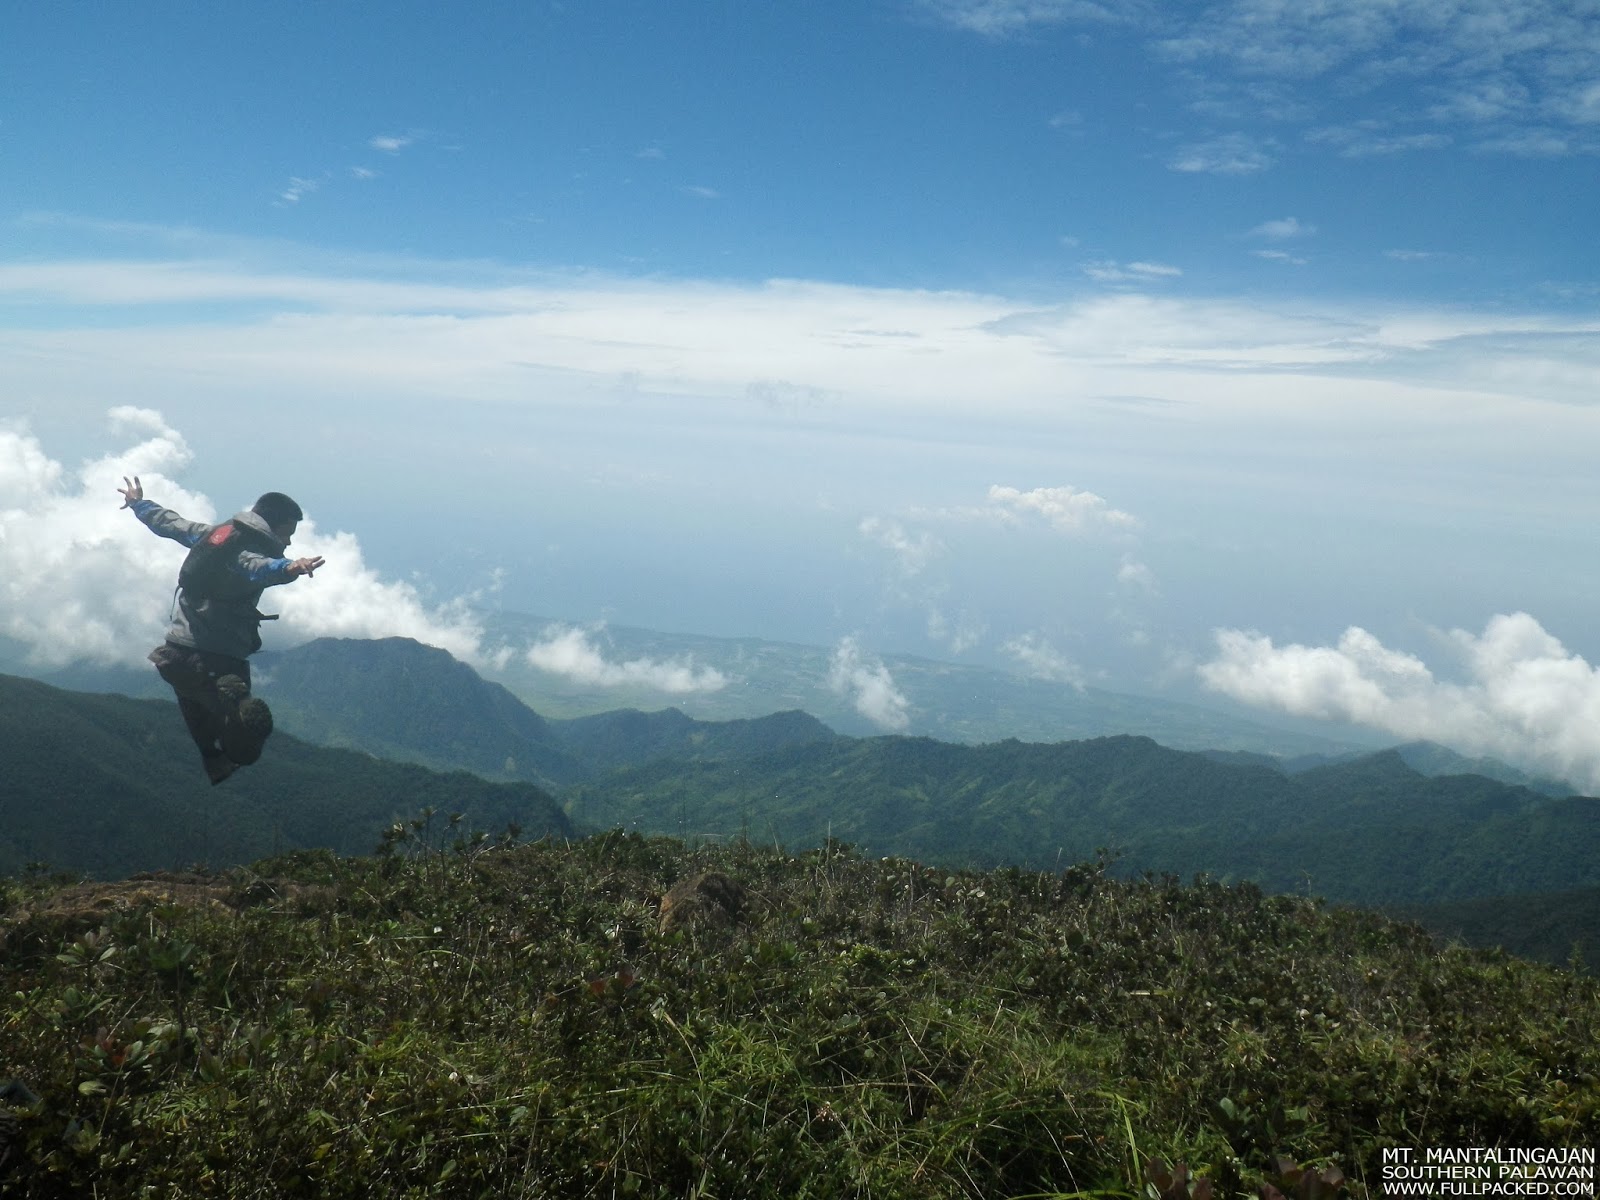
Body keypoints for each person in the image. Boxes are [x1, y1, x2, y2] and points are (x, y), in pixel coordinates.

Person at [119, 476, 325, 784]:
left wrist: (138, 503)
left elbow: (171, 524)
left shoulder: (213, 536)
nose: (289, 542)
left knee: (192, 702)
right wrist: (289, 568)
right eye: (288, 533)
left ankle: (213, 760)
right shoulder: (249, 551)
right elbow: (256, 566)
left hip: (174, 652)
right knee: (242, 739)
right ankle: (237, 712)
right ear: (273, 525)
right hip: (220, 658)